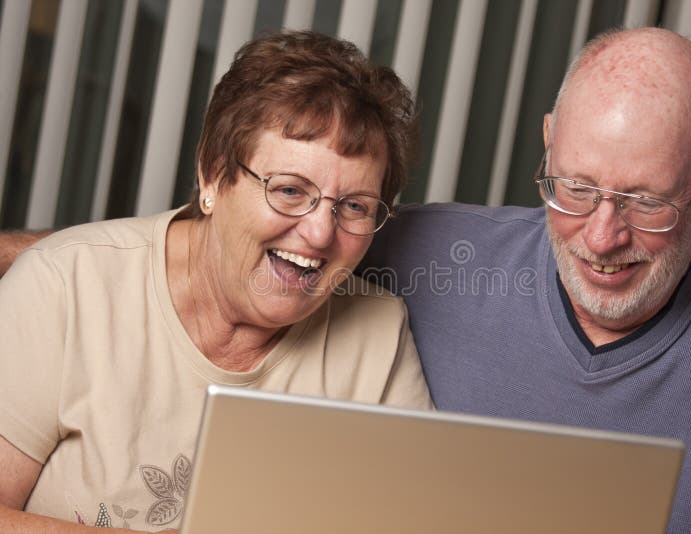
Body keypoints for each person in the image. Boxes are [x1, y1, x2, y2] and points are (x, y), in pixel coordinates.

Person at [360, 28, 691, 533]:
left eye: (647, 202)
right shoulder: (416, 253)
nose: (602, 236)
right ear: (549, 144)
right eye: (576, 187)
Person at [0, 30, 431, 533]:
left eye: (354, 206)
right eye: (290, 190)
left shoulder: (378, 336)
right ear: (213, 174)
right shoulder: (65, 285)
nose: (318, 233)